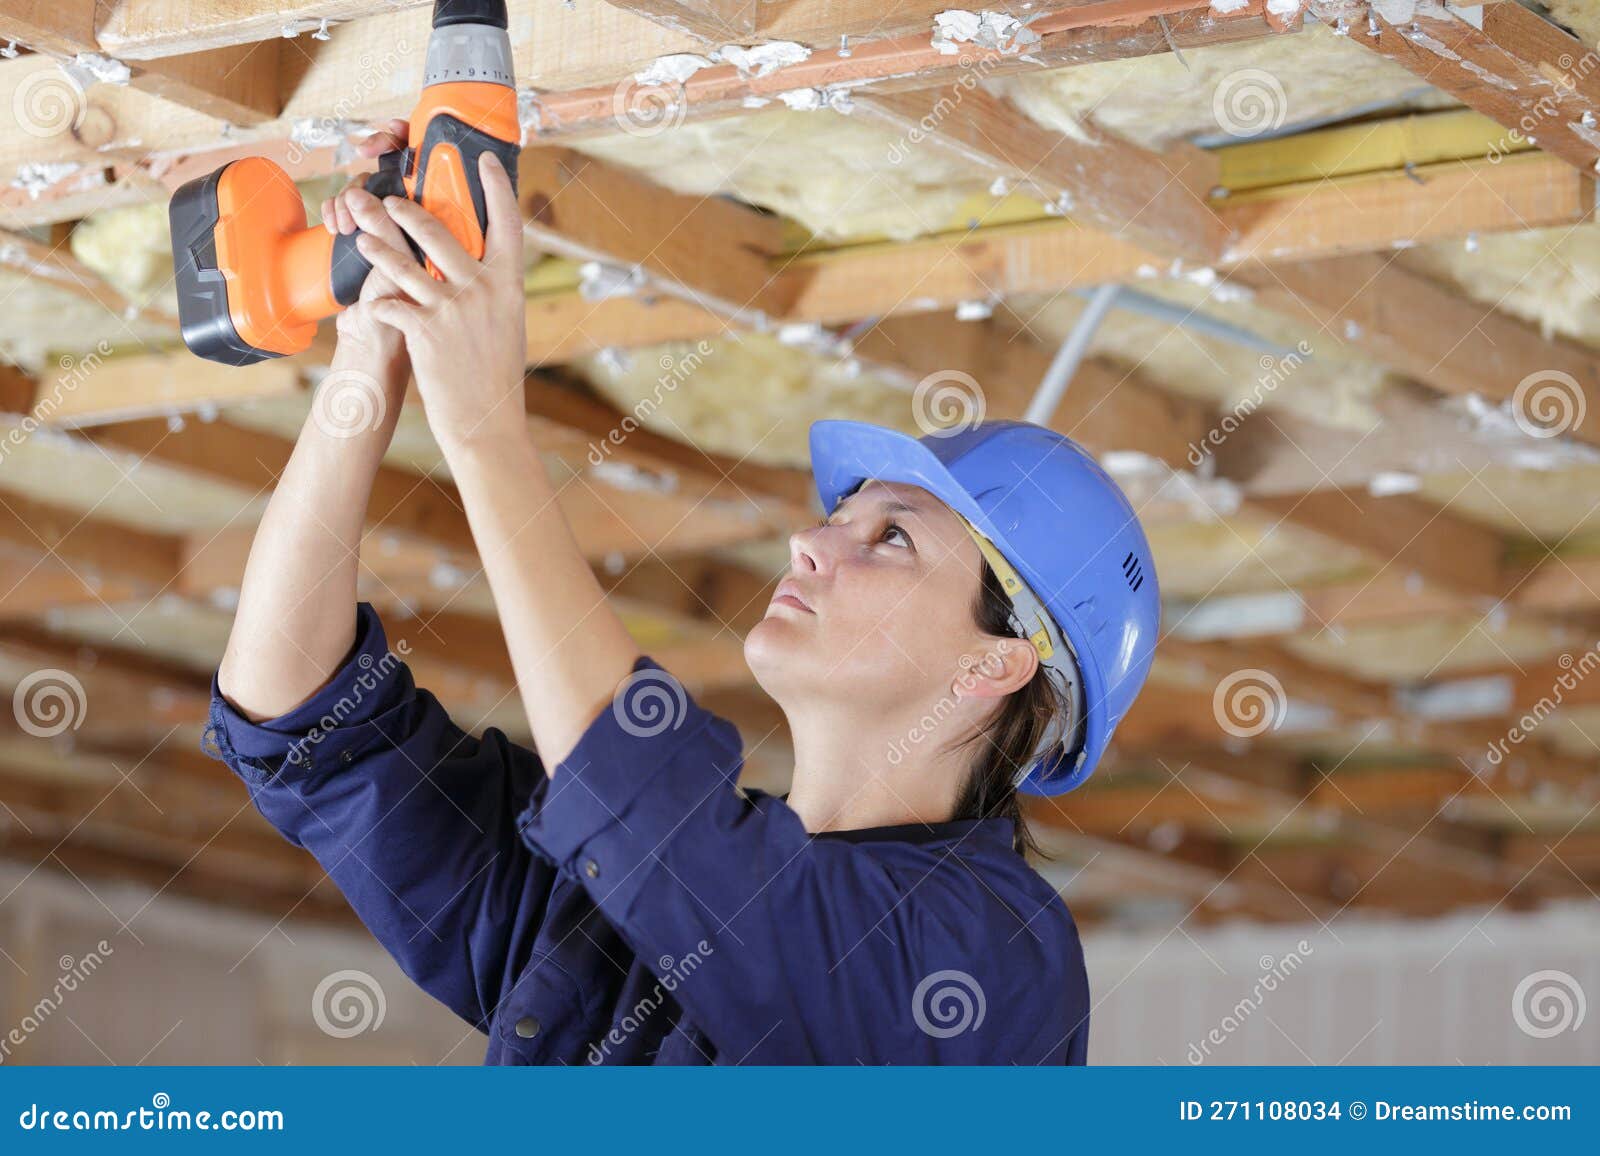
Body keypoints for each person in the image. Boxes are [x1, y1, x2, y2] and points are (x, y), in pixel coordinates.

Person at [203, 122, 1161, 1065]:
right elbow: (301, 722)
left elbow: (655, 819)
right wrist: (374, 354)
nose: (811, 541)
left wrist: (490, 427)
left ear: (996, 660)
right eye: (845, 515)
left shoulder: (997, 957)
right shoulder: (622, 916)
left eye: (895, 537)